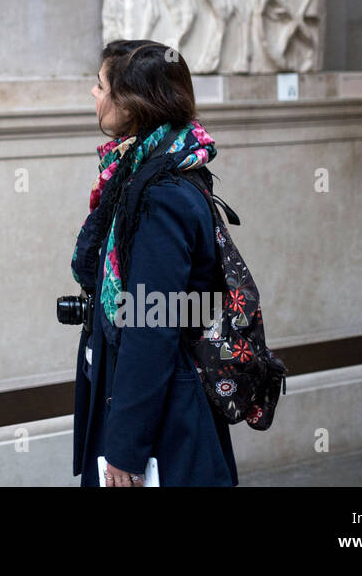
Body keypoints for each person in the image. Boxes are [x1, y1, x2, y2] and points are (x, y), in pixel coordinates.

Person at [71, 40, 238, 487]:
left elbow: (152, 326)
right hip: (147, 402)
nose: (94, 94)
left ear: (131, 105)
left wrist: (125, 450)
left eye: (101, 85)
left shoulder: (161, 195)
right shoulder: (146, 171)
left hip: (163, 423)